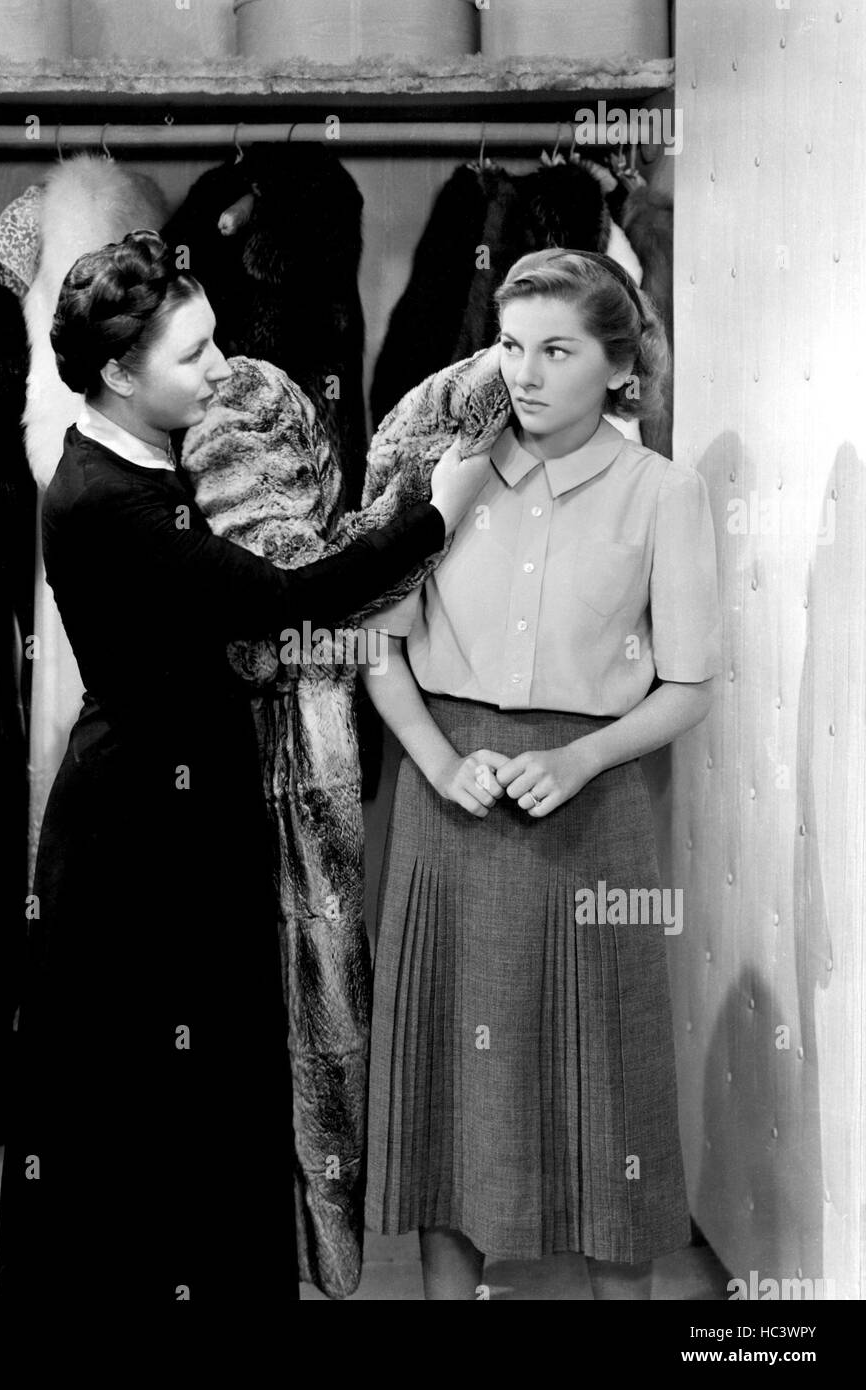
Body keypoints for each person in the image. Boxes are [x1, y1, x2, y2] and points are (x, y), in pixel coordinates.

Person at [0, 230, 492, 1307]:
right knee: (146, 1097)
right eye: (193, 355)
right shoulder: (101, 498)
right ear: (119, 375)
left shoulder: (143, 458)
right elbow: (271, 597)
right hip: (138, 837)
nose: (223, 370)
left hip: (186, 808)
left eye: (215, 338)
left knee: (201, 1088)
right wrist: (430, 516)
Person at [360, 248, 722, 1301]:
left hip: (590, 811)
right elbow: (373, 650)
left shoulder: (665, 493)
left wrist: (578, 757)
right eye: (511, 345)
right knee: (449, 1093)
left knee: (607, 1088)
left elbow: (687, 684)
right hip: (446, 814)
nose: (522, 371)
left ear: (617, 368)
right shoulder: (446, 475)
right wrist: (437, 763)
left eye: (555, 349)